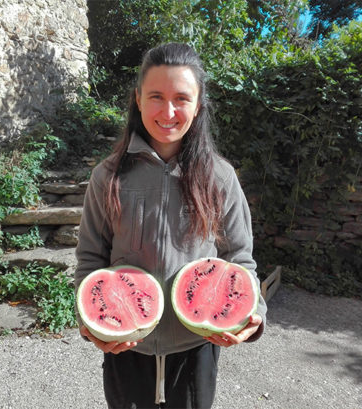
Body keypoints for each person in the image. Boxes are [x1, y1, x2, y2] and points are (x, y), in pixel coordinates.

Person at [75, 42, 266, 409]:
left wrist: (252, 317)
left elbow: (240, 260)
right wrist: (90, 326)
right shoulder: (107, 177)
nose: (168, 111)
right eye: (156, 97)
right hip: (126, 348)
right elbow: (89, 260)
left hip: (196, 349)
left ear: (199, 104)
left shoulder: (220, 177)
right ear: (138, 99)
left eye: (181, 98)